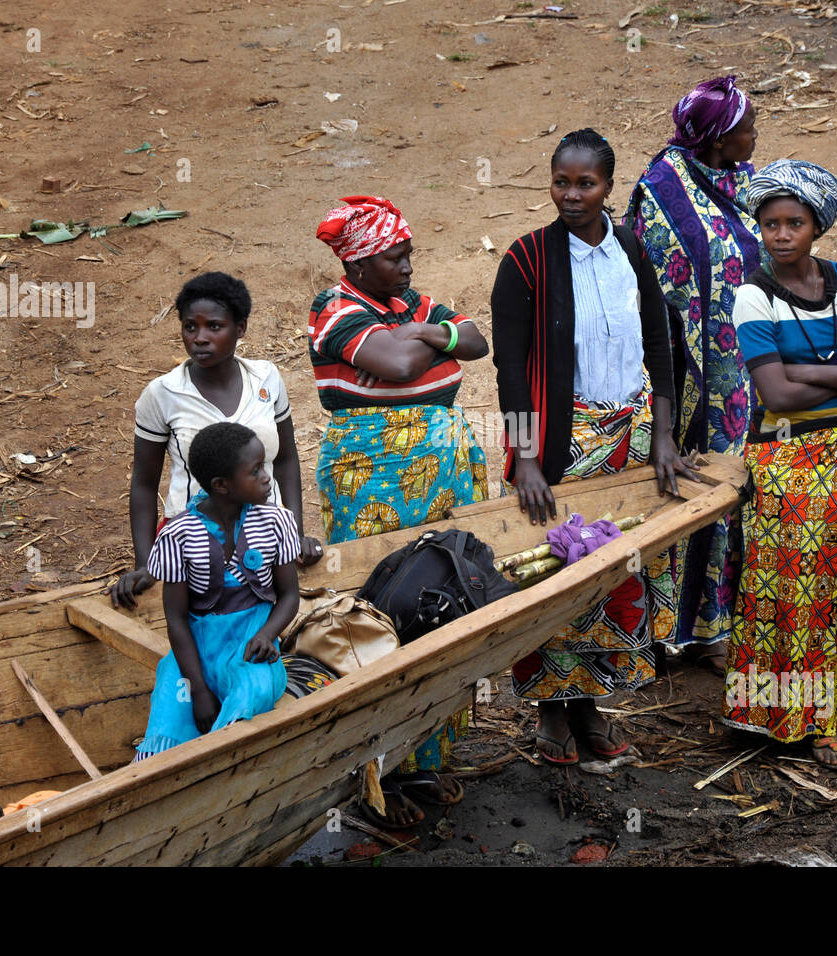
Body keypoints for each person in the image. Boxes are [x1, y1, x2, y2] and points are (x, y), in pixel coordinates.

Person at [491, 129, 697, 765]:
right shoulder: (527, 259)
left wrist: (662, 434)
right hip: (562, 442)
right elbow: (511, 368)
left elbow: (659, 345)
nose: (571, 195)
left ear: (610, 186)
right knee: (557, 573)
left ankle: (592, 708)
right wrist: (526, 458)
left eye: (586, 184)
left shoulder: (630, 250)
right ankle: (553, 716)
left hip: (630, 438)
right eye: (561, 182)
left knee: (614, 573)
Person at [310, 195, 489, 824]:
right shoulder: (334, 309)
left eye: (409, 252)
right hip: (374, 486)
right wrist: (427, 340)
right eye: (394, 256)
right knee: (382, 607)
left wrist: (425, 331)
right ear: (358, 263)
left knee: (442, 599)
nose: (408, 265)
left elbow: (476, 340)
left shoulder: (409, 306)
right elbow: (398, 361)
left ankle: (428, 756)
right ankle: (378, 770)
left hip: (440, 482)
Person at [724, 159, 837, 769]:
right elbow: (775, 397)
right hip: (782, 455)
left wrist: (803, 369)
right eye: (769, 223)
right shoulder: (751, 294)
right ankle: (799, 721)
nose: (779, 234)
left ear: (815, 227)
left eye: (793, 223)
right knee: (793, 585)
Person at [624, 75, 761, 669]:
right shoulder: (662, 190)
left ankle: (716, 621)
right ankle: (666, 627)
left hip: (747, 369)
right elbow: (650, 287)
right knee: (685, 481)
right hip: (686, 372)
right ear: (716, 139)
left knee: (736, 484)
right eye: (747, 127)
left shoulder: (748, 183)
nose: (756, 135)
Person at [111, 272, 322, 610]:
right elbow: (144, 484)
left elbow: (285, 460)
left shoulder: (266, 378)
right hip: (196, 541)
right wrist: (148, 563)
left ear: (240, 328)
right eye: (190, 327)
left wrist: (293, 534)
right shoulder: (162, 394)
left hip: (266, 532)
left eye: (214, 326)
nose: (200, 338)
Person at [135, 422, 300, 759]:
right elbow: (177, 620)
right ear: (221, 486)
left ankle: (222, 763)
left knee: (250, 691)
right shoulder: (178, 535)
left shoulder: (276, 522)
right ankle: (162, 771)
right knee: (171, 709)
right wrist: (197, 689)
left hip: (251, 643)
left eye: (265, 466)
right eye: (255, 471)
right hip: (196, 648)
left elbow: (290, 596)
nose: (267, 477)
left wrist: (268, 635)